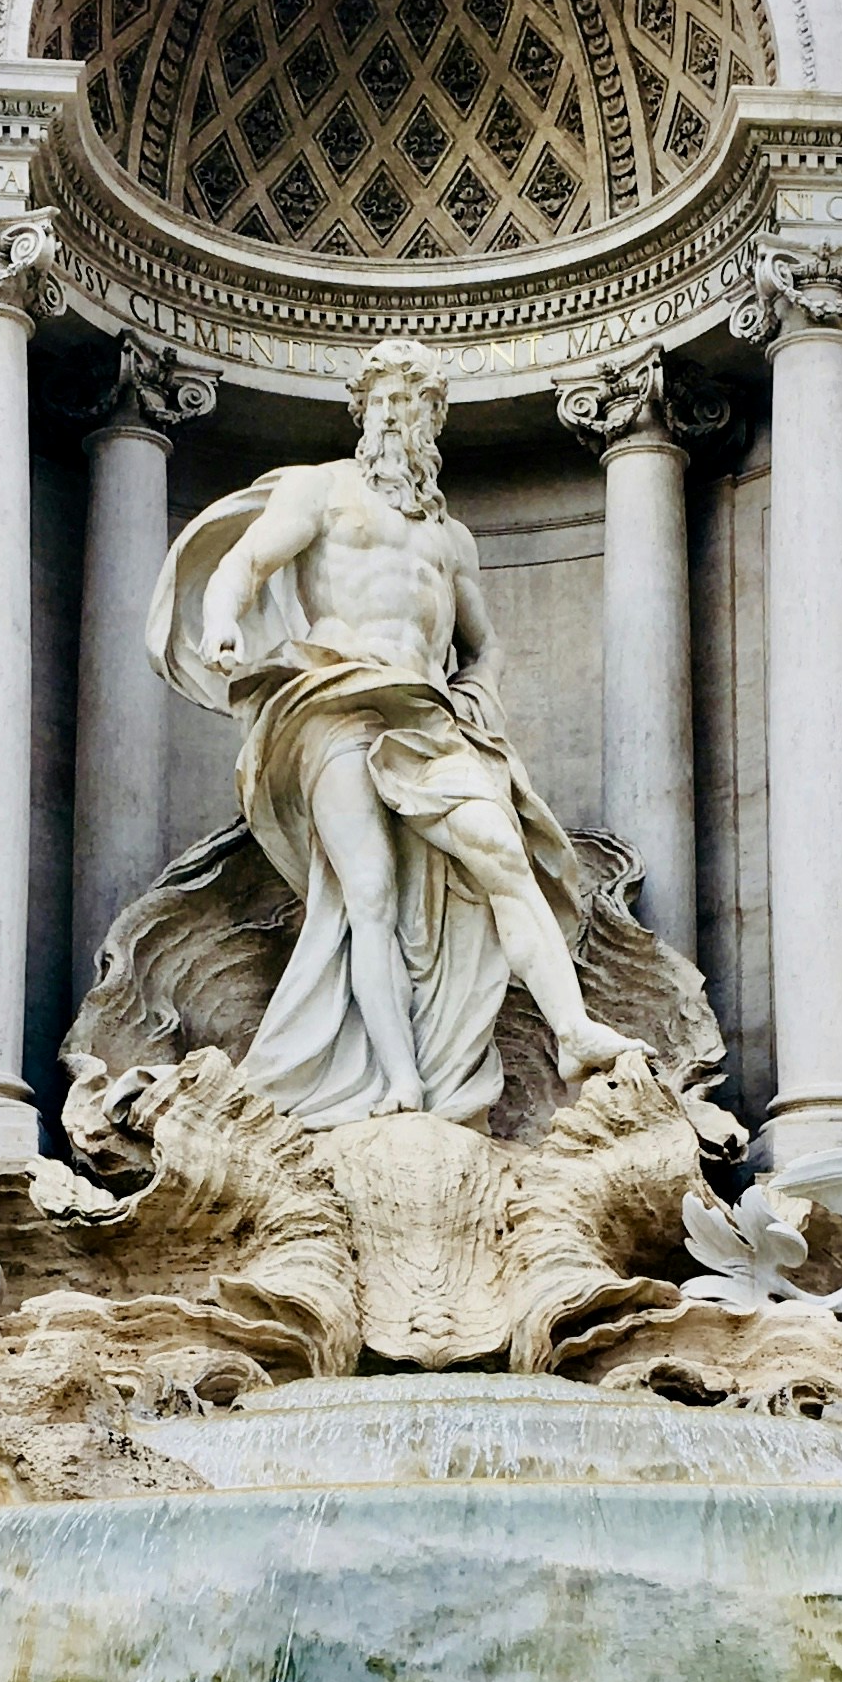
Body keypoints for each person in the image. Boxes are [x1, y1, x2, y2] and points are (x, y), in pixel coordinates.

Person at [150, 337, 638, 1129]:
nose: (393, 417)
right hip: (334, 700)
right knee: (366, 893)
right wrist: (220, 624)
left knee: (505, 856)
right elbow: (244, 564)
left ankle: (572, 1029)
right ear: (360, 413)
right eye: (381, 402)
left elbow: (484, 643)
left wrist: (477, 687)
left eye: (410, 404)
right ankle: (400, 1082)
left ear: (432, 420)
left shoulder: (450, 538)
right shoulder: (321, 490)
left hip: (427, 714)